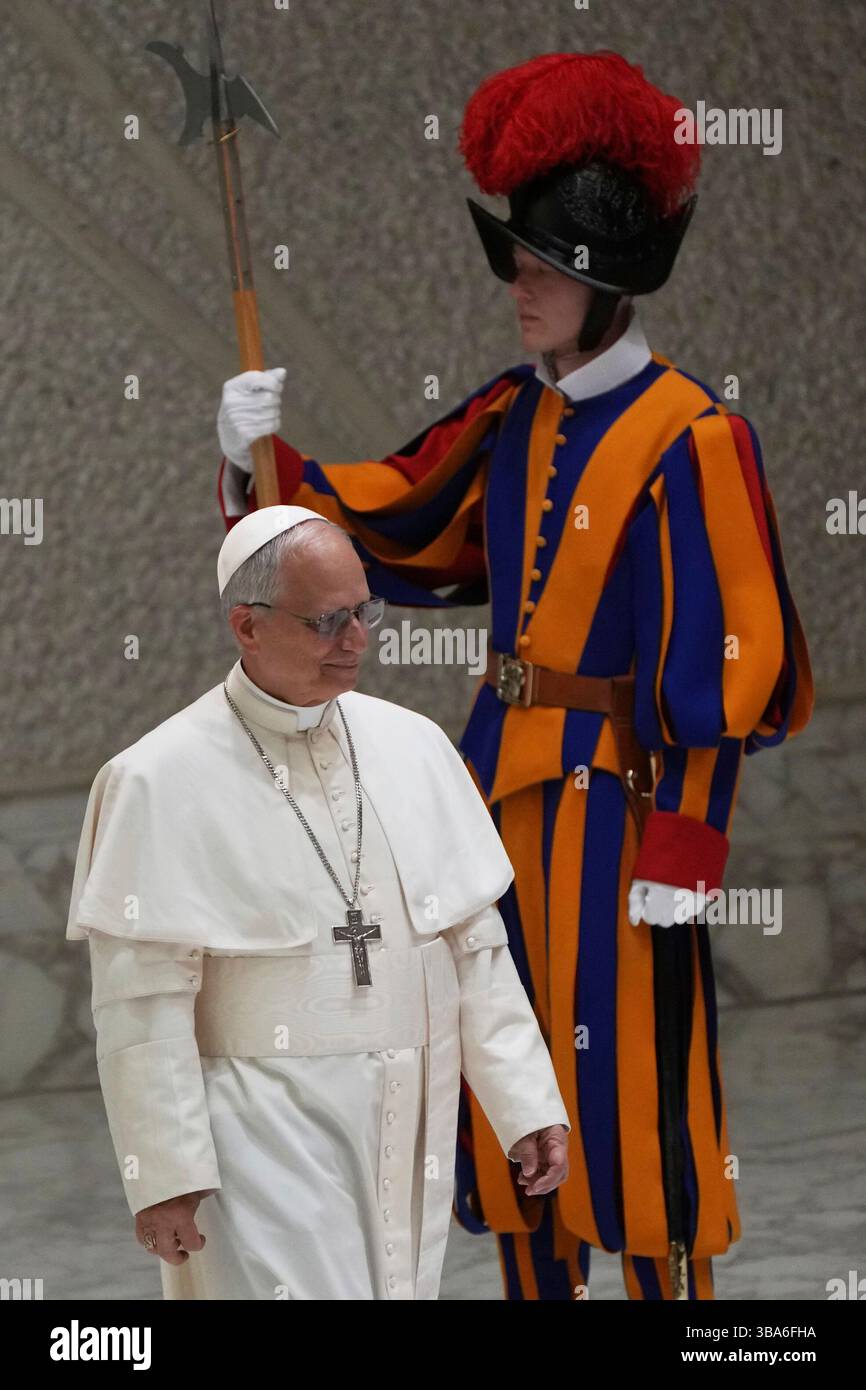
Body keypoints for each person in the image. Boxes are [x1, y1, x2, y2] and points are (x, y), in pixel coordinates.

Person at [214, 52, 814, 1300]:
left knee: (634, 1099)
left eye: (542, 268)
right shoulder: (509, 416)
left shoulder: (693, 438)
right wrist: (257, 461)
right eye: (516, 262)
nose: (519, 287)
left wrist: (686, 852)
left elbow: (721, 665)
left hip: (624, 813)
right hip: (491, 808)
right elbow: (388, 530)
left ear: (603, 287)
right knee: (510, 1081)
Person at [66, 504, 571, 1300]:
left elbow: (475, 947)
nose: (357, 638)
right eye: (328, 620)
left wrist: (527, 1102)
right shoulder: (156, 778)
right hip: (258, 1128)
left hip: (406, 1117)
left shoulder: (414, 746)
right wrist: (163, 1169)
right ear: (247, 625)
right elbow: (141, 1001)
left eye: (365, 611)